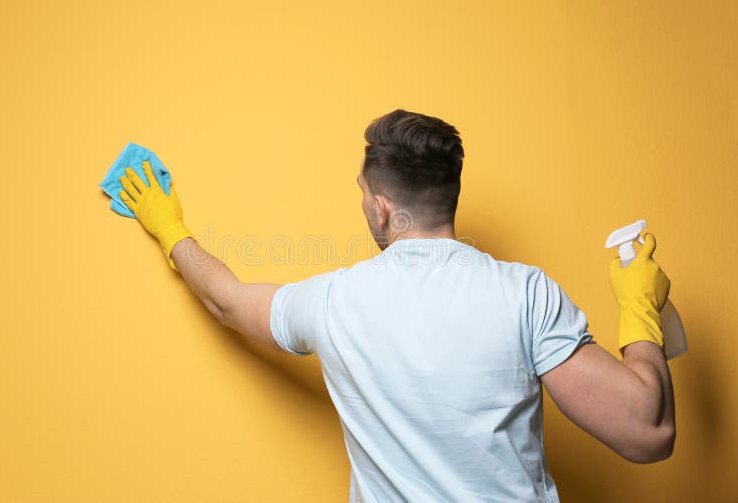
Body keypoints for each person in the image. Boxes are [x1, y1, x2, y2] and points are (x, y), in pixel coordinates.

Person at [118, 109, 676, 502]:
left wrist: (171, 229)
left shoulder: (333, 301)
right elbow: (646, 432)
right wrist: (638, 308)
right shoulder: (524, 293)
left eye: (361, 191)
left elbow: (228, 302)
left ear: (382, 209)